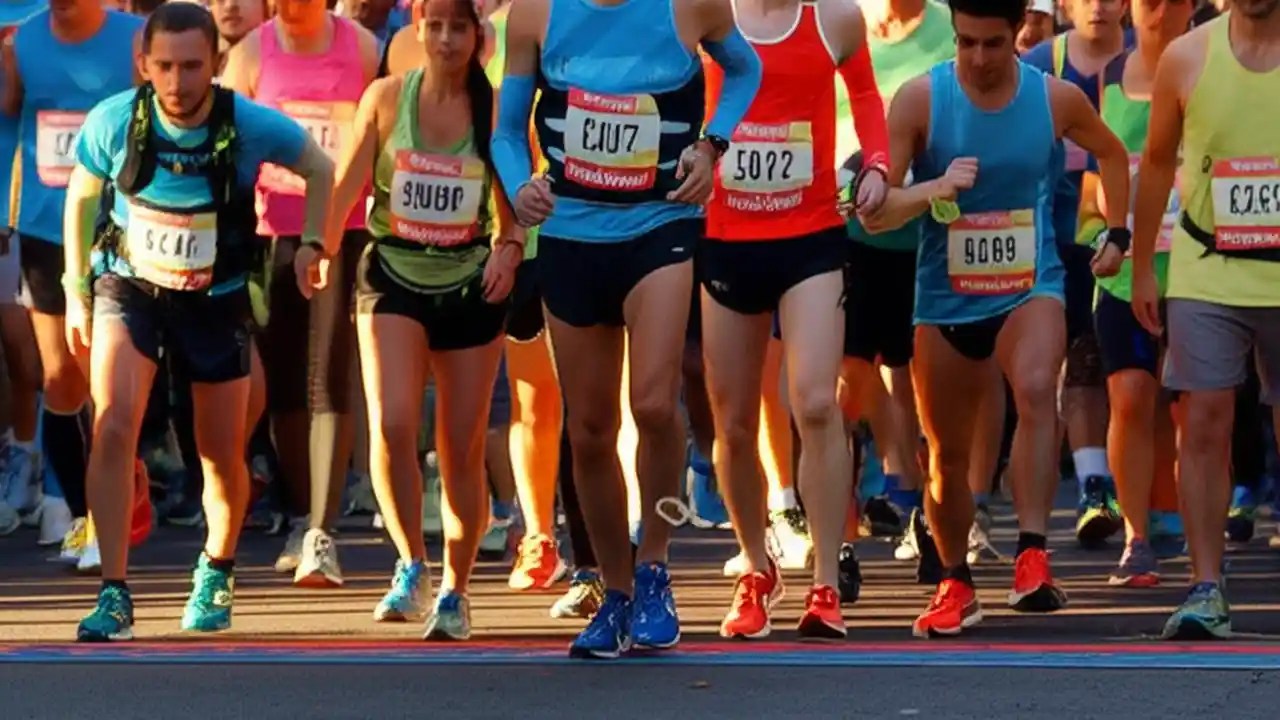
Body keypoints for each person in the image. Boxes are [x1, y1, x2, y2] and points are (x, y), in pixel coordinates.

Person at [492, 0, 761, 658]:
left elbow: (745, 69)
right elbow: (504, 132)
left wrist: (712, 143)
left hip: (659, 225)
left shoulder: (689, 4)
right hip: (570, 233)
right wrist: (517, 189)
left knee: (650, 400)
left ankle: (655, 567)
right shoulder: (532, 14)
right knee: (587, 431)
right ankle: (614, 592)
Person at [65, 1, 334, 641]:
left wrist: (314, 245)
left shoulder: (247, 127)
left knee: (218, 455)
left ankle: (216, 567)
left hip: (215, 298)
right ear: (144, 64)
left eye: (192, 67)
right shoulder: (114, 122)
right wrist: (78, 292)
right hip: (128, 285)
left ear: (216, 63)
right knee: (112, 426)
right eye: (165, 67)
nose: (179, 83)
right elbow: (80, 196)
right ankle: (114, 591)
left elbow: (319, 168)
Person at [861, 0, 1130, 638]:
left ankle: (1032, 554)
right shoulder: (920, 100)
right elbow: (880, 213)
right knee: (945, 460)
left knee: (1037, 388)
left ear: (1019, 37)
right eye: (965, 43)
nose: (978, 58)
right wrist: (930, 191)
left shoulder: (1054, 98)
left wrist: (1116, 233)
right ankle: (956, 580)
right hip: (946, 298)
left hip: (1027, 283)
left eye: (992, 44)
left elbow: (1113, 157)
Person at [321, 0, 519, 639]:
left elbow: (513, 201)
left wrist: (508, 252)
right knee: (395, 423)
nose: (445, 40)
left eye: (458, 28)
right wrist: (315, 250)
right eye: (434, 26)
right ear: (416, 30)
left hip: (467, 281)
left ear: (478, 37)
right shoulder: (384, 98)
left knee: (460, 448)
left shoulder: (495, 110)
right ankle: (411, 563)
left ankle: (457, 589)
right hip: (392, 276)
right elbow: (348, 183)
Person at [700, 0, 888, 641]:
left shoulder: (834, 18)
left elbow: (865, 97)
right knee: (732, 420)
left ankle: (827, 579)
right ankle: (756, 567)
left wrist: (879, 164)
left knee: (814, 403)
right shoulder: (705, 15)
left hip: (809, 236)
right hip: (727, 236)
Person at [1131, 0, 1280, 640]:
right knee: (1204, 421)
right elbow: (1159, 159)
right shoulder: (1187, 56)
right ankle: (1206, 587)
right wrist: (1141, 267)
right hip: (1205, 262)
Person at [222, 0, 381, 588]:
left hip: (343, 230)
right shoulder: (247, 55)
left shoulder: (361, 48)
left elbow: (378, 131)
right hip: (274, 234)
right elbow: (230, 148)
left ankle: (321, 528)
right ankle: (298, 509)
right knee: (285, 384)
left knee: (329, 376)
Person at [3, 0, 144, 569]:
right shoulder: (23, 45)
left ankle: (107, 504)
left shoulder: (138, 39)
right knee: (60, 375)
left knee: (106, 376)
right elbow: (9, 128)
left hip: (123, 228)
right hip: (44, 227)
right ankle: (81, 511)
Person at [1081, 0, 1192, 587]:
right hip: (1125, 272)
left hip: (1199, 273)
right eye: (1150, 0)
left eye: (1174, 1)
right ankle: (1138, 535)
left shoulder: (1210, 68)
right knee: (1128, 396)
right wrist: (1102, 233)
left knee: (1193, 410)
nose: (1161, 11)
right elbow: (1096, 179)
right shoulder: (1109, 79)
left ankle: (1187, 521)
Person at [1024, 0, 1132, 550]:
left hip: (1135, 240)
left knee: (1136, 377)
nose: (1099, 5)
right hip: (1051, 240)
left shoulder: (1146, 60)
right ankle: (1094, 486)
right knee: (1079, 361)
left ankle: (1153, 500)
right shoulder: (1041, 63)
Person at [0, 0, 45, 540]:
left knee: (22, 341)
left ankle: (28, 459)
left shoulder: (42, 19)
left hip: (17, 202)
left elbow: (12, 99)